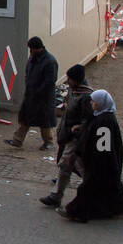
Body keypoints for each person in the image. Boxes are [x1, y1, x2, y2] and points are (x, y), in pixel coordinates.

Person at [60, 89, 123, 222]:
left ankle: (76, 212)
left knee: (88, 187)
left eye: (94, 101)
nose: (92, 103)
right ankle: (120, 207)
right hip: (105, 162)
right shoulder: (103, 116)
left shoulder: (104, 121)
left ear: (100, 103)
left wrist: (95, 161)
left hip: (100, 162)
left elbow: (103, 147)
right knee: (111, 185)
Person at [40, 64, 93, 207]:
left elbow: (88, 120)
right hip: (67, 136)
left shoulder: (86, 96)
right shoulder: (73, 91)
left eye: (69, 78)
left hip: (75, 139)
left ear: (76, 80)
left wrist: (77, 130)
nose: (67, 80)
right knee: (67, 166)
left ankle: (90, 193)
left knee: (72, 166)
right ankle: (56, 196)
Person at [5, 36, 57, 150]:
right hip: (31, 94)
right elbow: (28, 73)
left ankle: (48, 141)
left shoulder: (49, 62)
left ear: (37, 48)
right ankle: (17, 140)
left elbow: (50, 82)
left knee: (44, 121)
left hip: (43, 97)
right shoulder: (34, 58)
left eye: (31, 49)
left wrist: (38, 92)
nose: (30, 51)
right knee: (25, 118)